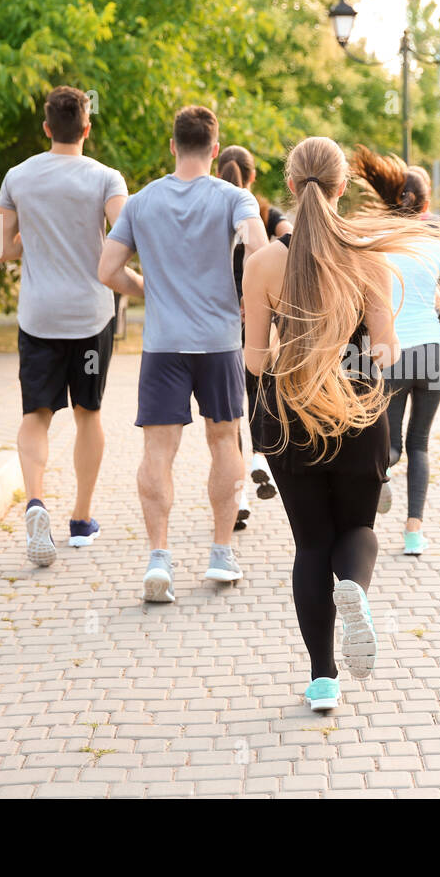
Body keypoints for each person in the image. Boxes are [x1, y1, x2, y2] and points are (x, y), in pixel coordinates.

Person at [242, 136, 440, 713]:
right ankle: (353, 587)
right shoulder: (369, 256)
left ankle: (323, 679)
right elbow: (384, 349)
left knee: (310, 546)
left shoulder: (262, 264)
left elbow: (254, 360)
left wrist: (294, 356)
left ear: (290, 186)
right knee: (357, 530)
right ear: (341, 186)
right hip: (360, 408)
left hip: (289, 412)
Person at [97, 106, 268, 600]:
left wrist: (149, 289)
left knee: (158, 452)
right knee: (224, 442)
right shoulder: (235, 196)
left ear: (172, 145)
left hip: (164, 345)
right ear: (216, 150)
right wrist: (248, 298)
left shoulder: (141, 201)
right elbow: (258, 248)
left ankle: (159, 560)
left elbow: (108, 270)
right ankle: (220, 554)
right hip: (218, 342)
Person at [0, 85, 129, 568]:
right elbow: (124, 235)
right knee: (88, 414)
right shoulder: (106, 178)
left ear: (47, 128)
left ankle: (35, 502)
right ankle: (81, 520)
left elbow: (3, 249)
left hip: (38, 317)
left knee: (37, 414)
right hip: (91, 317)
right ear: (86, 128)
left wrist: (37, 231)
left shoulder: (18, 176)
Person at [350, 147, 440, 557]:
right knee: (420, 444)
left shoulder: (378, 246)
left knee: (390, 445)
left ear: (393, 198)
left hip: (393, 353)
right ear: (427, 204)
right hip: (433, 354)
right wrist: (438, 303)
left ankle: (381, 478)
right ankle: (414, 534)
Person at [217, 146, 293, 528]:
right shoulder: (263, 213)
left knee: (226, 413)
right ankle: (261, 458)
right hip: (258, 317)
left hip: (217, 322)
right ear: (252, 176)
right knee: (261, 388)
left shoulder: (211, 207)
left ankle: (238, 495)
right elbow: (292, 242)